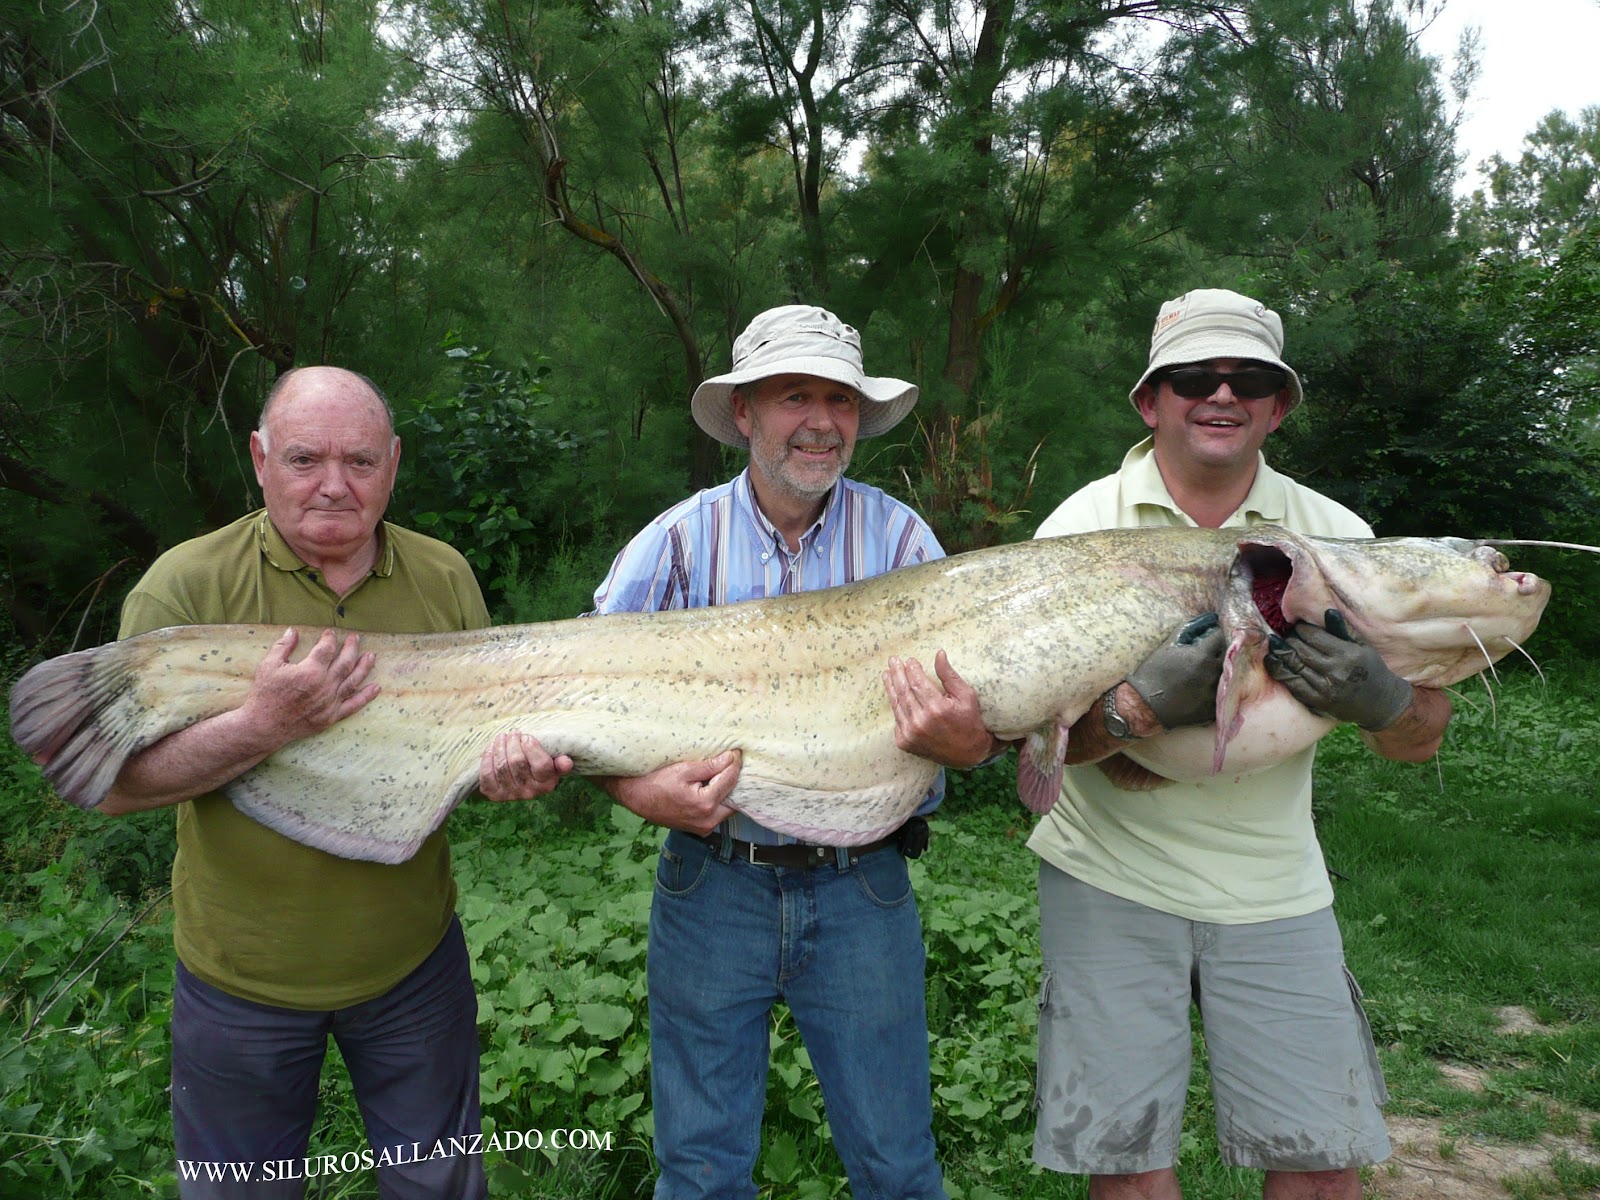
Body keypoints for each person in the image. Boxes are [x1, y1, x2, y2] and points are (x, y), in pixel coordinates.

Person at [99, 366, 572, 1199]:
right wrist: (261, 726)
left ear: (393, 464)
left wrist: (504, 772)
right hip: (239, 981)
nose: (333, 485)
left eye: (359, 462)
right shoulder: (185, 587)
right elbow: (114, 787)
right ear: (258, 458)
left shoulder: (445, 577)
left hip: (414, 971)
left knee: (439, 1188)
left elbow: (477, 747)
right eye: (304, 458)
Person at [1028, 289, 1453, 1200]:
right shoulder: (1074, 530)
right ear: (1152, 400)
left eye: (1248, 378)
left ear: (1277, 405)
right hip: (1109, 874)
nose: (1220, 395)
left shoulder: (1340, 539)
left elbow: (1422, 737)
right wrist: (1138, 710)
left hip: (1276, 887)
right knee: (1128, 1170)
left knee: (1318, 1168)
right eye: (1194, 377)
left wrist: (1383, 702)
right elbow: (1038, 751)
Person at [590, 305, 1003, 1200]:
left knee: (897, 1165)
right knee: (700, 1172)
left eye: (840, 401)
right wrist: (639, 792)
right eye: (793, 397)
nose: (820, 421)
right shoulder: (675, 544)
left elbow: (974, 731)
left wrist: (970, 745)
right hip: (712, 885)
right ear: (743, 414)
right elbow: (579, 692)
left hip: (865, 887)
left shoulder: (902, 545)